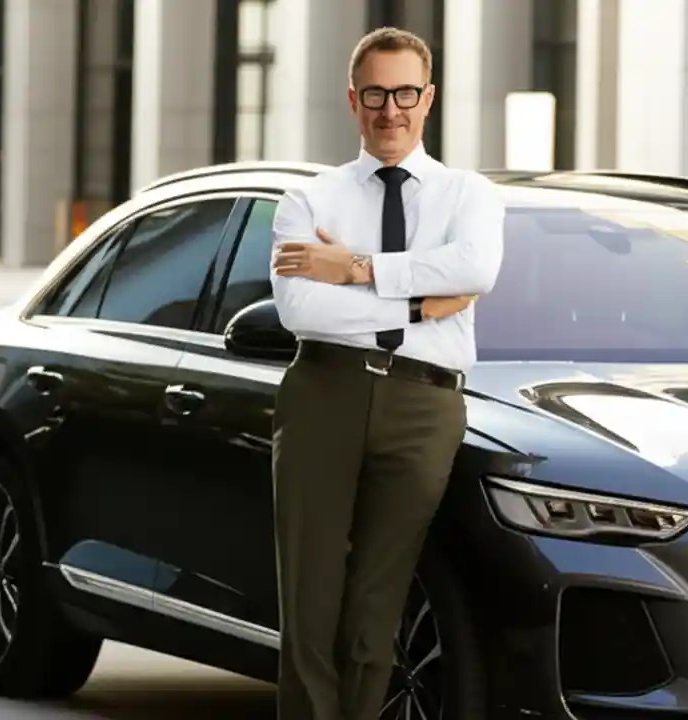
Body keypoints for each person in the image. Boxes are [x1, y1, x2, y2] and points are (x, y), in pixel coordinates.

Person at [267, 26, 505, 720]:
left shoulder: (470, 195)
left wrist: (359, 269)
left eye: (405, 93)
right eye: (375, 93)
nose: (390, 110)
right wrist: (422, 306)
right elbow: (300, 309)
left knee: (378, 609)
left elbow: (477, 270)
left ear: (428, 98)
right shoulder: (308, 200)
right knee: (309, 606)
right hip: (323, 394)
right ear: (353, 99)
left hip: (424, 409)